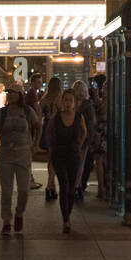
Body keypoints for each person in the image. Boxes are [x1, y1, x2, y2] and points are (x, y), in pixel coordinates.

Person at [0, 89, 40, 235]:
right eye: (8, 92)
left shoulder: (27, 111)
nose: (11, 95)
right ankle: (6, 221)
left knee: (23, 189)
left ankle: (19, 213)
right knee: (6, 190)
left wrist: (35, 143)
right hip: (5, 155)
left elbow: (38, 125)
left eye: (14, 92)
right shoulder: (2, 113)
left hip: (23, 154)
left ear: (20, 95)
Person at [45, 89, 86, 233]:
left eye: (70, 100)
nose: (68, 103)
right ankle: (66, 220)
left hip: (73, 155)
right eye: (66, 100)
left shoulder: (79, 117)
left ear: (74, 103)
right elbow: (49, 133)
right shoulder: (56, 118)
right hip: (59, 154)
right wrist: (51, 149)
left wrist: (79, 145)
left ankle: (67, 213)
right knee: (64, 184)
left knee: (71, 187)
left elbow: (84, 131)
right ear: (62, 102)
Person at [71, 79, 96, 199]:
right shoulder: (88, 104)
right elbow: (91, 123)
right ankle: (78, 186)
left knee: (77, 164)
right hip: (81, 137)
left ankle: (76, 186)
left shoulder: (72, 103)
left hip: (76, 137)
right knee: (80, 164)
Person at [40, 76, 62, 201]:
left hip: (46, 129)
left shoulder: (44, 100)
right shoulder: (60, 99)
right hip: (56, 130)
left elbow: (39, 117)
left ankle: (52, 187)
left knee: (51, 158)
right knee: (54, 159)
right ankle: (49, 186)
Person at [25, 74, 43, 188]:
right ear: (32, 83)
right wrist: (39, 119)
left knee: (29, 153)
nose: (39, 84)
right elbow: (37, 108)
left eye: (40, 82)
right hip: (30, 126)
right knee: (29, 153)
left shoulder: (33, 93)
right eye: (37, 82)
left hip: (30, 125)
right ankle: (29, 179)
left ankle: (29, 178)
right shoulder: (32, 93)